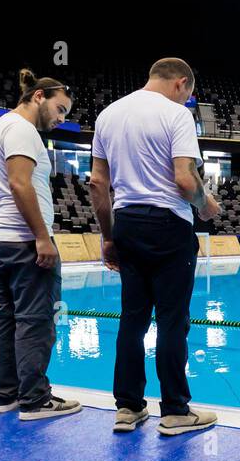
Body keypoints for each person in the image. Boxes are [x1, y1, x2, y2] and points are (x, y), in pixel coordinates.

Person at [89, 57, 221, 435]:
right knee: (171, 321)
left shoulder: (108, 115)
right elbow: (184, 178)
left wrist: (109, 236)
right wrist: (205, 204)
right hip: (168, 225)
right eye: (187, 96)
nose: (185, 102)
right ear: (181, 84)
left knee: (132, 320)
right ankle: (175, 411)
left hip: (126, 222)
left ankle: (128, 408)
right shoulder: (176, 115)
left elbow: (98, 184)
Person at [0, 68, 82, 421]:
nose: (61, 118)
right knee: (35, 320)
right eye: (60, 109)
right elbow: (20, 184)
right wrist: (41, 237)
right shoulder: (22, 131)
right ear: (40, 97)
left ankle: (4, 396)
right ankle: (35, 400)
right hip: (23, 240)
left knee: (4, 317)